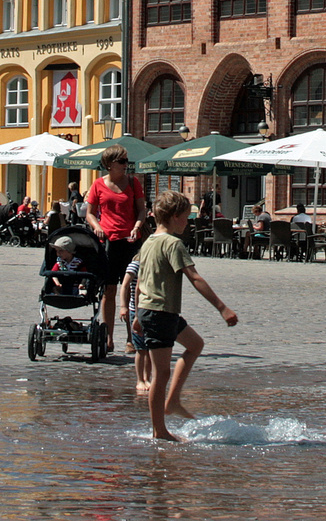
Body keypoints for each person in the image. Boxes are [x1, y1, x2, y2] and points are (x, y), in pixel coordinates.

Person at [132, 190, 238, 441]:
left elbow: (139, 281)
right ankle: (160, 431)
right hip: (159, 313)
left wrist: (138, 314)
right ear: (175, 216)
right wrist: (222, 308)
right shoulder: (172, 243)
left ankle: (174, 400)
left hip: (155, 311)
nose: (188, 222)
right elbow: (194, 277)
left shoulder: (148, 242)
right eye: (186, 217)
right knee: (161, 374)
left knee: (195, 345)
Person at [86, 145, 146, 350]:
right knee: (109, 289)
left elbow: (141, 211)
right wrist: (97, 227)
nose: (126, 165)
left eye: (126, 161)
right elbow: (90, 213)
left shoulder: (133, 182)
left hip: (130, 241)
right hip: (109, 241)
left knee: (131, 288)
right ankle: (108, 336)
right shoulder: (98, 185)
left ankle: (131, 337)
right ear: (110, 164)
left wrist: (137, 226)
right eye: (122, 161)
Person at [122, 214, 158, 395]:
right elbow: (126, 285)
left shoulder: (151, 263)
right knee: (141, 350)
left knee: (149, 348)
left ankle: (148, 378)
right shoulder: (137, 262)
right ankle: (140, 379)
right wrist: (124, 307)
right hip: (137, 310)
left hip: (149, 310)